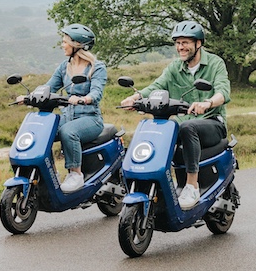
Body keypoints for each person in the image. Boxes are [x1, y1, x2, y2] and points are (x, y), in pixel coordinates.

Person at [120, 20, 230, 210]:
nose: (181, 47)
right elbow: (157, 86)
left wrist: (208, 102)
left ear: (199, 43)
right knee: (155, 131)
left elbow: (223, 91)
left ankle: (192, 186)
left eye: (185, 42)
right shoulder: (174, 68)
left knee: (188, 127)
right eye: (178, 43)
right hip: (182, 123)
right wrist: (136, 97)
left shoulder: (215, 63)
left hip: (212, 121)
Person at [20, 23, 107, 193]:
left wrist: (84, 99)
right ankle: (49, 174)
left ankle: (75, 174)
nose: (62, 45)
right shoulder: (64, 67)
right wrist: (29, 97)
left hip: (90, 119)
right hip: (68, 116)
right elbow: (49, 87)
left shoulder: (96, 67)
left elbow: (97, 92)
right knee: (43, 132)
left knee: (68, 132)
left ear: (77, 45)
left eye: (65, 41)